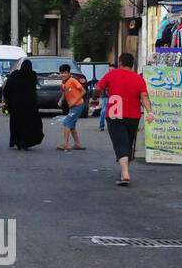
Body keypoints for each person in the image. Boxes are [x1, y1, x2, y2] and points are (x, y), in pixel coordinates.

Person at [95, 53, 154, 186]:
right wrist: (150, 112)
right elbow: (144, 96)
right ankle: (124, 172)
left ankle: (125, 172)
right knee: (128, 143)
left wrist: (95, 96)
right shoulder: (138, 79)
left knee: (119, 142)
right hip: (133, 115)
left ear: (120, 62)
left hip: (115, 114)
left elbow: (98, 88)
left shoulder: (112, 74)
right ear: (132, 64)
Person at [3, 59, 44, 149]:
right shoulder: (32, 75)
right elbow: (33, 90)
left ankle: (16, 141)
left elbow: (7, 89)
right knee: (28, 124)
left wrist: (8, 102)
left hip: (15, 105)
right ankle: (25, 142)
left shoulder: (14, 74)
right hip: (29, 105)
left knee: (16, 123)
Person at [58, 64, 87, 152]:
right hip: (73, 106)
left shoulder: (73, 80)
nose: (63, 75)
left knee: (67, 123)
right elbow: (64, 92)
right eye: (62, 73)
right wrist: (61, 100)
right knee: (72, 126)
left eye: (65, 73)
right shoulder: (63, 83)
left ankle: (65, 144)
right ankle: (78, 144)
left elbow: (83, 91)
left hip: (78, 105)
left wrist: (75, 100)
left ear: (69, 73)